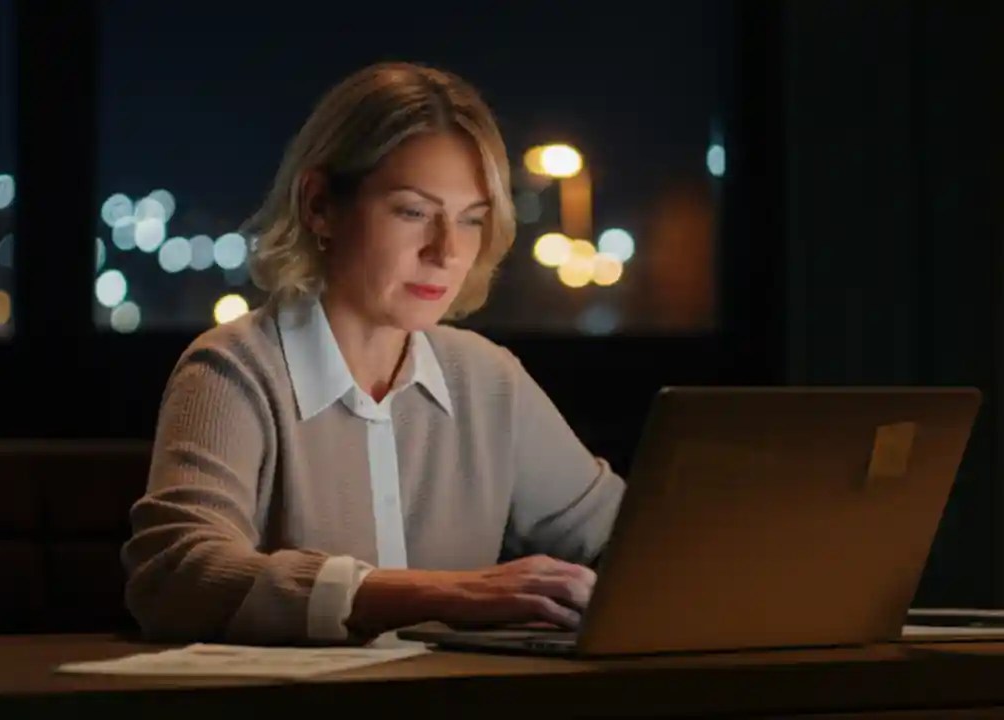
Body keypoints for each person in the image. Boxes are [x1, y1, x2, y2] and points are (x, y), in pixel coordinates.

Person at [120, 61, 626, 646]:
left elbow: (636, 542)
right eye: (413, 212)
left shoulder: (489, 380)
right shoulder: (234, 369)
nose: (447, 252)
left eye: (471, 221)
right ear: (318, 206)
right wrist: (445, 594)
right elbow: (177, 576)